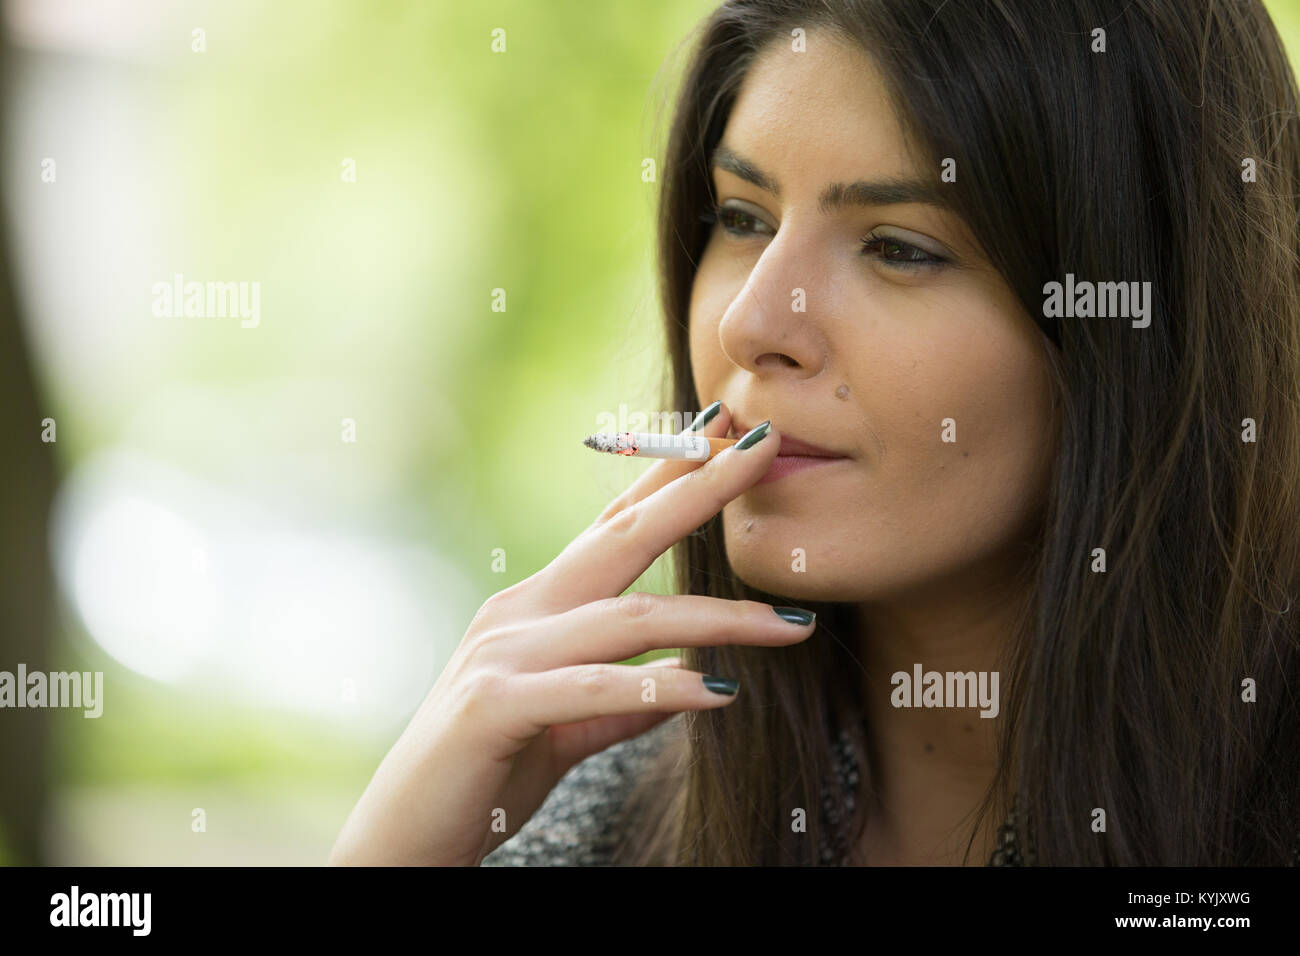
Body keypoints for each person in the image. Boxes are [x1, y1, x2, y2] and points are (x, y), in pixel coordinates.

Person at [330, 0, 1300, 866]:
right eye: (742, 217)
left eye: (898, 248)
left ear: (1143, 324)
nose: (749, 325)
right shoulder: (602, 813)